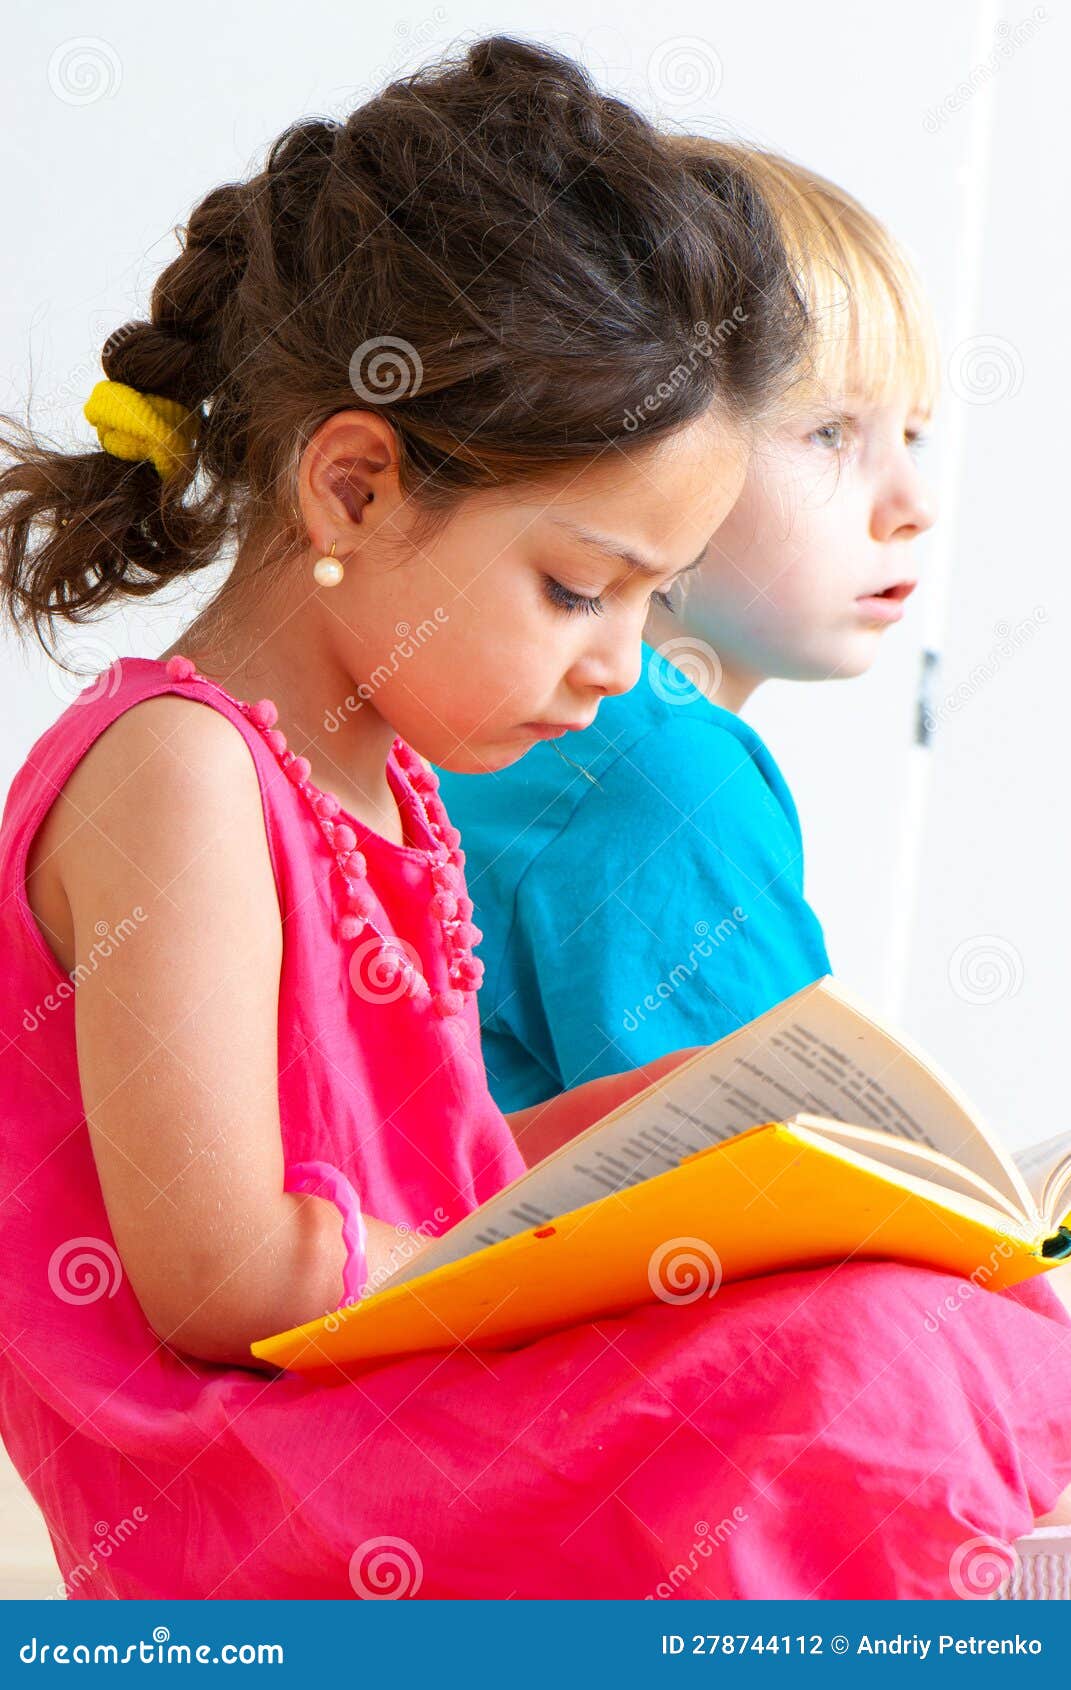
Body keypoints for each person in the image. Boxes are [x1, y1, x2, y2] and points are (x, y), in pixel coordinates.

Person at [2, 42, 1069, 1600]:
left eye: (649, 595)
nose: (619, 661)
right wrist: (586, 1264)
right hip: (265, 1490)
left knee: (942, 1311)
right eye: (576, 587)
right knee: (855, 1364)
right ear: (353, 490)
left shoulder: (398, 774)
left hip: (389, 1403)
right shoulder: (178, 774)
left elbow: (424, 1164)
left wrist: (663, 1132)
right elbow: (222, 1276)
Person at [436, 144, 935, 1113]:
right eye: (829, 431)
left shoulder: (497, 722)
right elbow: (803, 1184)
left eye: (913, 434)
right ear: (648, 445)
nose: (913, 503)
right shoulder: (661, 774)